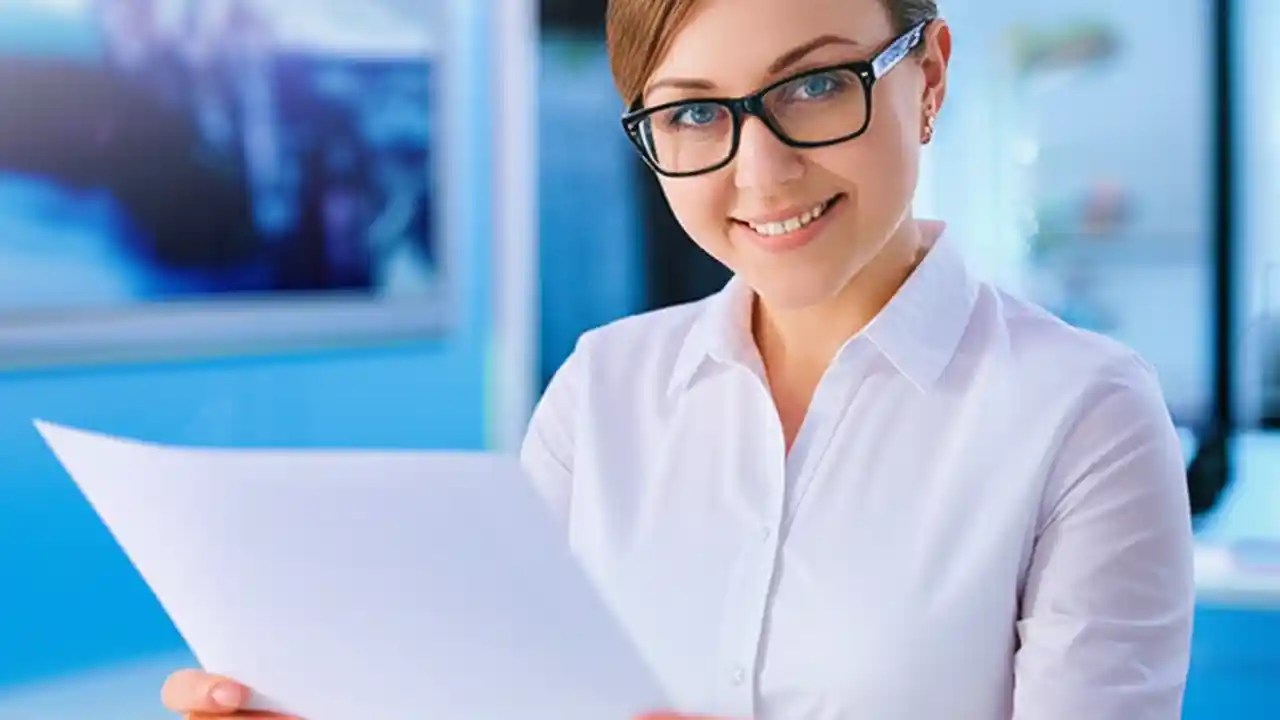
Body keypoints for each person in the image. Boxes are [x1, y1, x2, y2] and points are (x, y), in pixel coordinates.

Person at [160, 0, 1195, 718]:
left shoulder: (1080, 415)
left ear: (925, 76)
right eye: (694, 112)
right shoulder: (600, 391)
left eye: (815, 85)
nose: (761, 170)